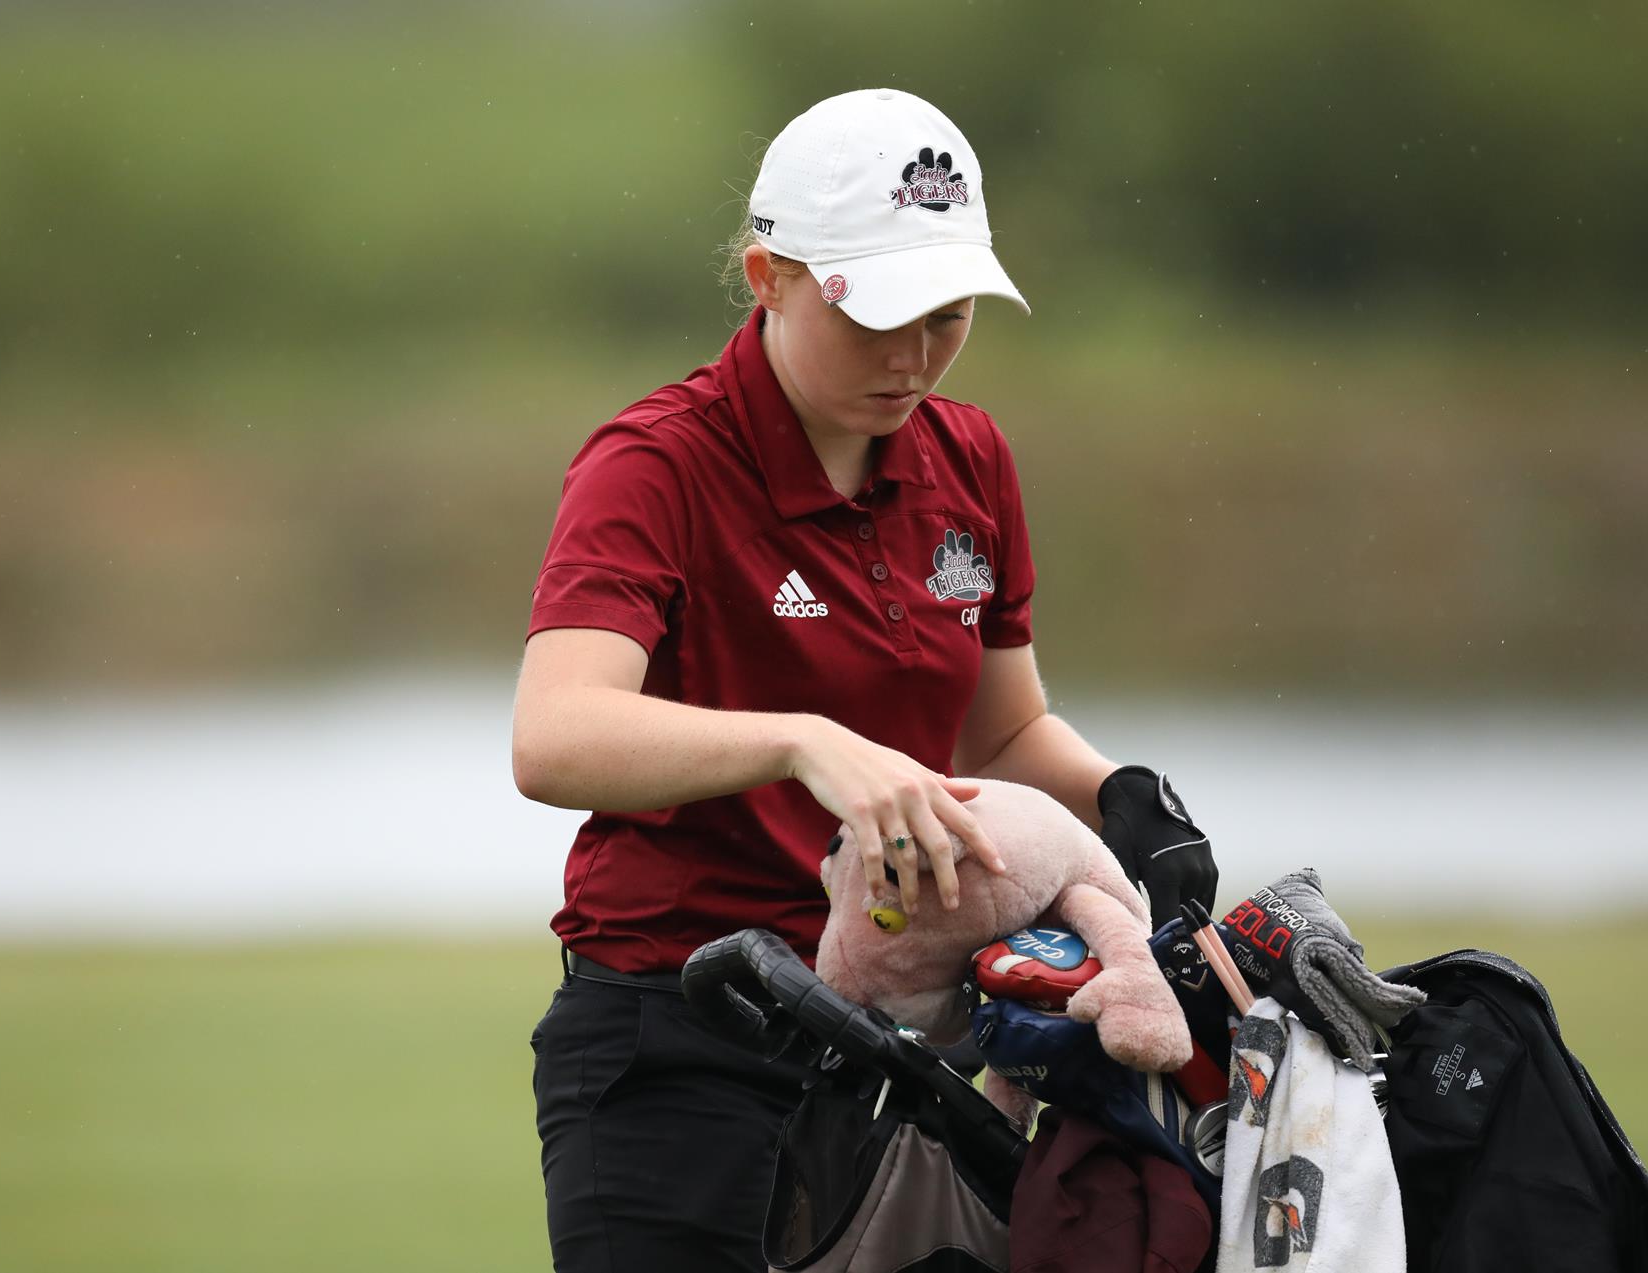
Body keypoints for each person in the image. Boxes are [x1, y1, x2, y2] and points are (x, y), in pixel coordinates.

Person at [511, 88, 1218, 1272]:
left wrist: (1123, 801)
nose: (912, 356)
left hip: (905, 1049)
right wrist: (797, 740)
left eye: (945, 315)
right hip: (679, 1044)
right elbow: (555, 736)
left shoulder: (969, 455)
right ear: (767, 275)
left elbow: (998, 735)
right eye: (875, 316)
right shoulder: (655, 464)